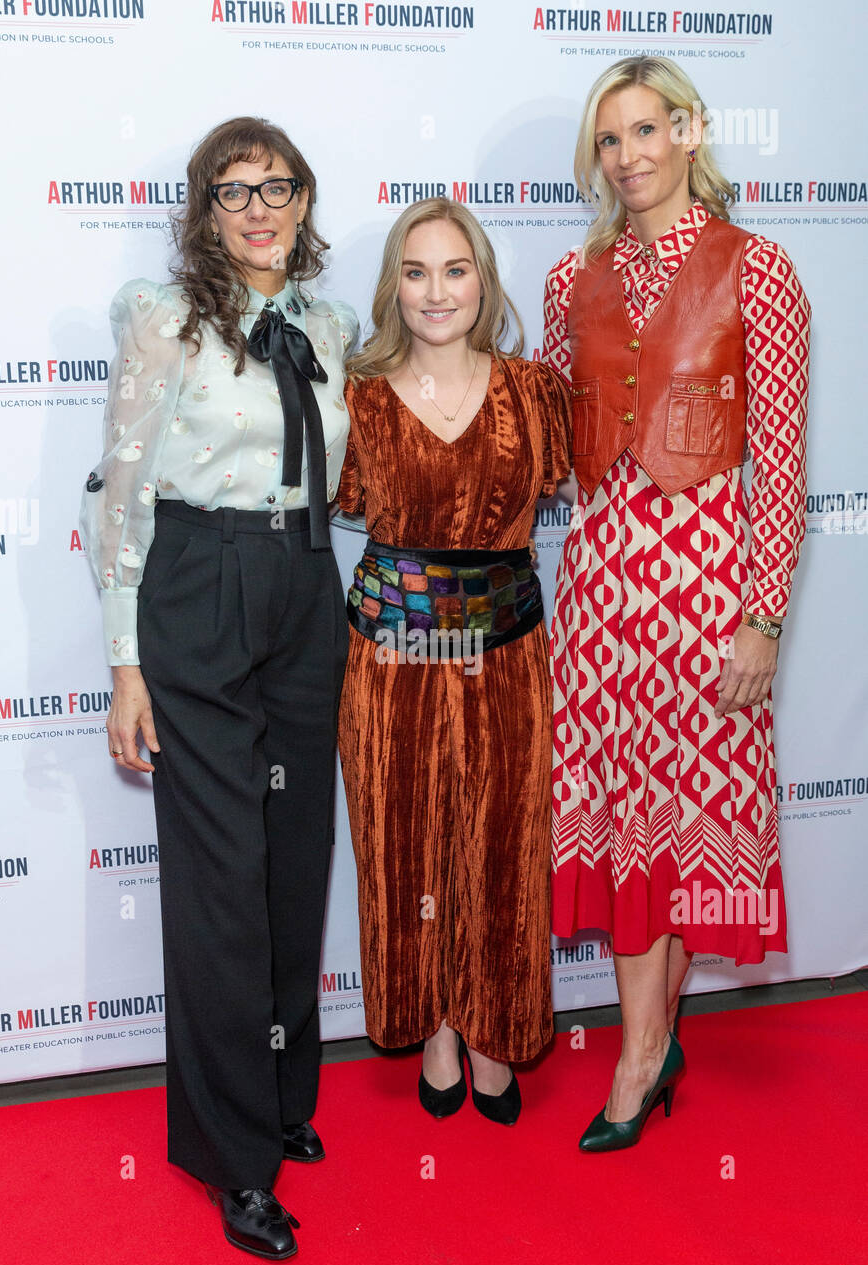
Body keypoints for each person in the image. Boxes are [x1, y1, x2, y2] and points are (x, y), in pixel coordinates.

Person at [80, 116, 357, 1256]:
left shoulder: (329, 326)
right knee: (220, 883)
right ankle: (232, 1155)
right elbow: (120, 493)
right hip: (196, 583)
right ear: (203, 209)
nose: (258, 207)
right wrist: (121, 663)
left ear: (302, 199)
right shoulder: (162, 319)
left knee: (295, 857)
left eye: (276, 186)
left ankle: (285, 1101)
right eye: (232, 190)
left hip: (303, 579)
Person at [543, 57, 810, 1150]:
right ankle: (649, 1040)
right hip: (600, 589)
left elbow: (781, 462)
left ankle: (642, 1051)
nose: (629, 157)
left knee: (689, 819)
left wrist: (764, 612)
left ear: (691, 133)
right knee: (620, 821)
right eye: (610, 140)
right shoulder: (572, 278)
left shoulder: (761, 272)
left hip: (708, 583)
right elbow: (560, 438)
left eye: (647, 131)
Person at [336, 198, 571, 1125]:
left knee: (504, 847)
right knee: (402, 846)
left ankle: (491, 1027)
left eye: (456, 270)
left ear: (483, 279)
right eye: (417, 272)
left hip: (508, 658)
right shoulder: (353, 395)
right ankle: (431, 1025)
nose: (438, 292)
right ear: (395, 286)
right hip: (390, 660)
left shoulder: (535, 391)